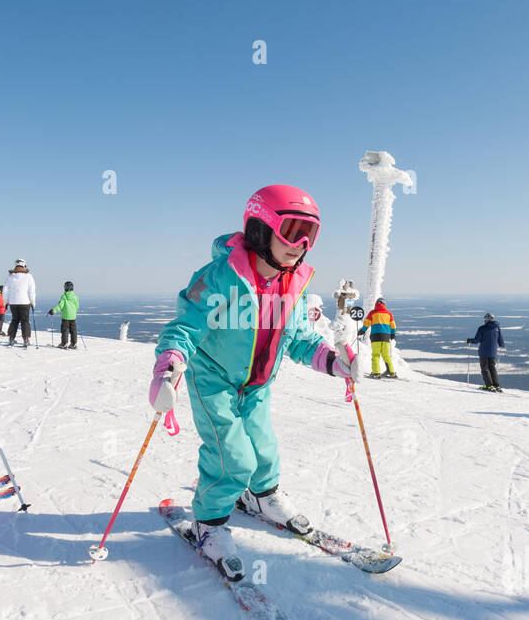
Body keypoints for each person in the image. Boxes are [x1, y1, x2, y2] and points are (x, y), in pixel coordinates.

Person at [151, 184, 357, 581]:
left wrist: (334, 363)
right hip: (214, 379)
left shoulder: (291, 282)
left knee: (263, 449)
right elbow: (185, 327)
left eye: (310, 233)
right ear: (260, 229)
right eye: (292, 229)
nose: (300, 243)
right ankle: (208, 524)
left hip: (258, 384)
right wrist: (170, 365)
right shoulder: (219, 278)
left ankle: (261, 497)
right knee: (233, 457)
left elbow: (297, 338)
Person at [358, 298, 398, 378]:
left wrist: (362, 331)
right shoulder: (388, 314)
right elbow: (393, 326)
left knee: (376, 355)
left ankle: (376, 373)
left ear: (376, 304)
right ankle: (392, 372)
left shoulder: (372, 313)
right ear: (384, 305)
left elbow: (366, 324)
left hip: (375, 337)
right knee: (386, 355)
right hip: (386, 337)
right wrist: (393, 334)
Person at [467, 313, 504, 390]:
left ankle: (489, 385)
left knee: (485, 369)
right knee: (492, 368)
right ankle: (496, 385)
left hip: (484, 351)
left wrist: (470, 340)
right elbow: (500, 339)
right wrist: (501, 344)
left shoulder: (482, 328)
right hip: (493, 352)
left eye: (485, 319)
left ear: (487, 319)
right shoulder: (497, 328)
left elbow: (477, 340)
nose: (485, 320)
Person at [3, 259, 35, 347]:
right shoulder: (29, 276)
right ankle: (26, 339)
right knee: (25, 321)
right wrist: (32, 302)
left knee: (14, 320)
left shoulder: (10, 276)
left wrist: (6, 302)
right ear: (24, 265)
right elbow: (31, 291)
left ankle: (11, 339)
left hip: (13, 302)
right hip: (25, 302)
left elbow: (5, 290)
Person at [48, 281, 79, 349]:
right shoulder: (75, 297)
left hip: (65, 317)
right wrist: (73, 312)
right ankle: (73, 343)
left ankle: (64, 343)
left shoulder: (64, 297)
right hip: (73, 317)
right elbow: (77, 306)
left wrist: (53, 311)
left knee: (65, 330)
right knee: (73, 330)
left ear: (65, 288)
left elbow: (60, 306)